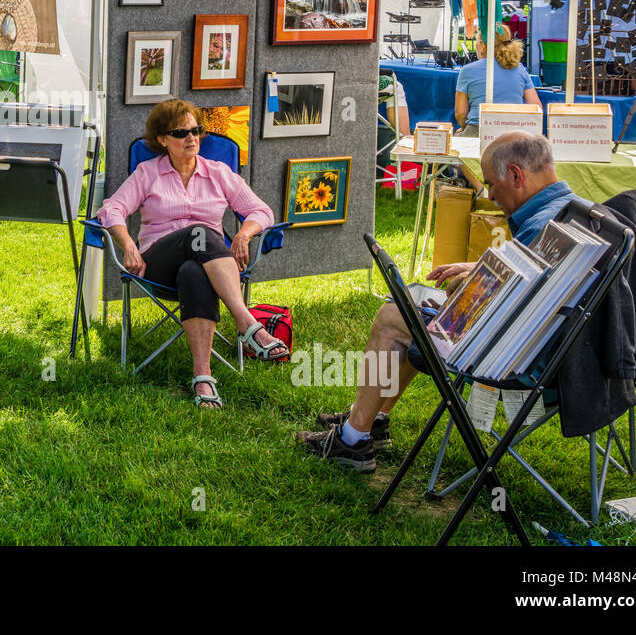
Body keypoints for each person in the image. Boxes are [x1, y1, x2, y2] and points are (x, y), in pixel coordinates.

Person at [297, 131, 580, 471]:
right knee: (414, 311)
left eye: (490, 184)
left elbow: (511, 305)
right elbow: (536, 279)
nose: (490, 195)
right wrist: (481, 268)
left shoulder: (539, 224)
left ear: (516, 175)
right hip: (554, 351)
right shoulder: (569, 209)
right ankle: (376, 419)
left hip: (516, 359)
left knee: (392, 318)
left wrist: (469, 288)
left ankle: (352, 440)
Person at [97, 99, 286, 409]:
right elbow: (112, 209)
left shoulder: (219, 173)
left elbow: (260, 210)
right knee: (201, 233)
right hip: (158, 264)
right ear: (162, 140)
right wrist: (129, 245)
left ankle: (202, 376)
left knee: (194, 271)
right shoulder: (148, 173)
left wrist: (243, 234)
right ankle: (247, 323)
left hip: (209, 269)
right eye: (181, 132)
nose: (192, 138)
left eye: (196, 130)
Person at [453, 24, 540, 136]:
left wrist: (464, 129)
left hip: (478, 130)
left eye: (477, 42)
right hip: (513, 132)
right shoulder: (520, 69)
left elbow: (461, 113)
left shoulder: (467, 71)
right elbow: (536, 107)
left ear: (483, 45)